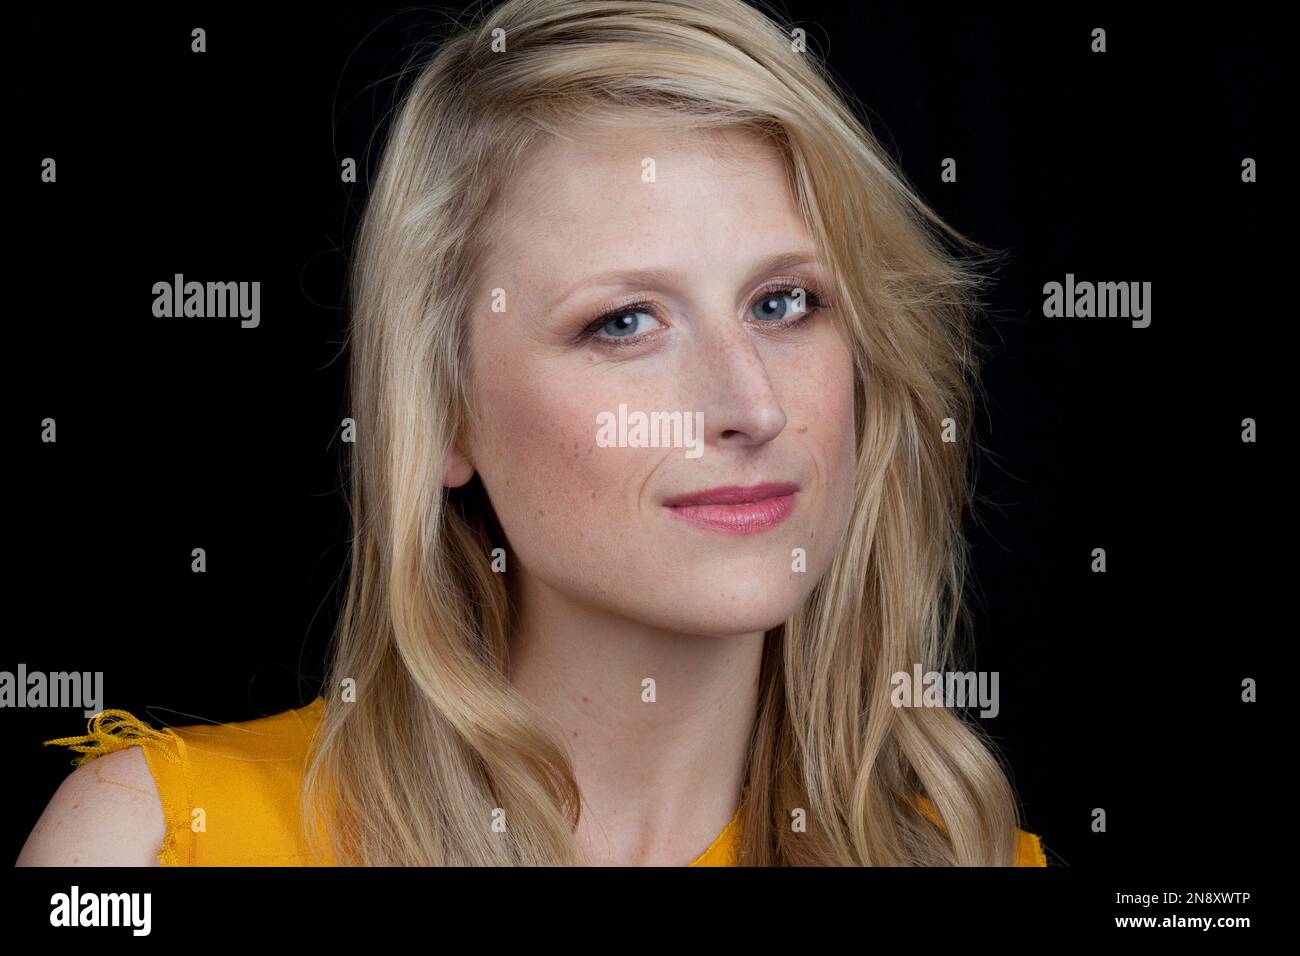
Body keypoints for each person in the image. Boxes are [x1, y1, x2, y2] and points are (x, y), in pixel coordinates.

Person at [19, 0, 1047, 867]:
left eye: (784, 303)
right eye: (624, 322)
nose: (754, 405)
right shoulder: (158, 840)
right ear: (442, 413)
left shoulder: (982, 859)